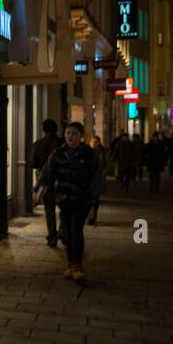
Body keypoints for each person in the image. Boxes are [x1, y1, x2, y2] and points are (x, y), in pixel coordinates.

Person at [34, 121, 102, 283]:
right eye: (67, 133)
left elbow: (96, 179)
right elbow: (48, 174)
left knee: (76, 230)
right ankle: (70, 264)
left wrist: (92, 203)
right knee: (67, 232)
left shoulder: (89, 154)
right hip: (64, 199)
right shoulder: (59, 153)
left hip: (82, 199)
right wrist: (39, 192)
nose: (70, 136)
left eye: (74, 134)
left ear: (81, 136)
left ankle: (78, 266)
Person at [30, 120, 63, 247]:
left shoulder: (38, 144)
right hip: (61, 180)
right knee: (63, 207)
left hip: (44, 181)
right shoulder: (62, 143)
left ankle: (52, 237)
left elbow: (33, 164)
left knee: (49, 209)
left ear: (43, 130)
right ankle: (63, 231)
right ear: (56, 129)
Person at [86, 135, 106, 226]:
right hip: (87, 180)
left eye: (96, 142)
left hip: (97, 179)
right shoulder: (86, 152)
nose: (94, 143)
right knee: (88, 199)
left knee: (95, 200)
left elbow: (105, 165)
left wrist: (102, 174)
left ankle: (93, 218)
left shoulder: (101, 153)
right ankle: (89, 217)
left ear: (99, 143)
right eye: (92, 141)